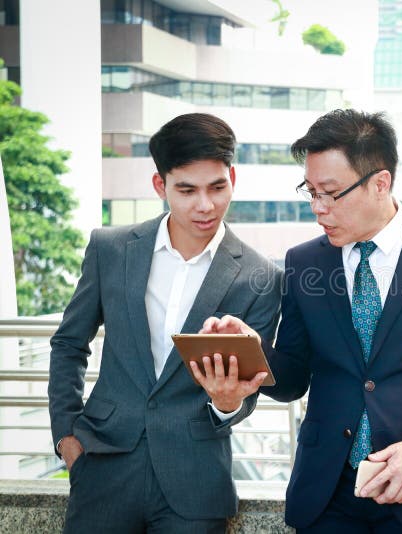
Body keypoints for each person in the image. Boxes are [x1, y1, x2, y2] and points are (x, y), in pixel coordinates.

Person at [203, 109, 402, 533]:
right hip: (327, 495)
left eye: (330, 193)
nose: (317, 208)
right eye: (310, 192)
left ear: (380, 183)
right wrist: (254, 351)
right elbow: (292, 377)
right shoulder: (303, 262)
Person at [48, 113, 283, 533]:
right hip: (102, 464)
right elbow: (69, 344)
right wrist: (66, 435)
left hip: (195, 483)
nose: (205, 205)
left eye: (217, 187)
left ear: (232, 176)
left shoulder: (260, 277)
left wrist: (227, 403)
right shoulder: (111, 249)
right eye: (187, 190)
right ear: (161, 186)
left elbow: (247, 388)